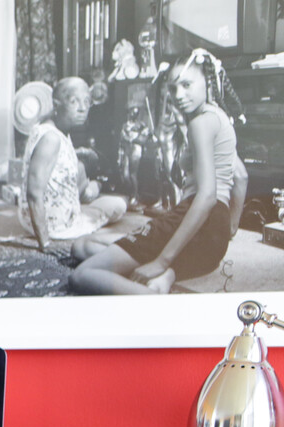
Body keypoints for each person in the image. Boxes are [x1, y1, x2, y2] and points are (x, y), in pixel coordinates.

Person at [71, 51, 248, 295]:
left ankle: (154, 296)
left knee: (82, 275)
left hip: (197, 219)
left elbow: (206, 195)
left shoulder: (200, 124)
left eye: (186, 85)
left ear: (208, 81)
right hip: (212, 241)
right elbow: (241, 176)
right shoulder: (220, 118)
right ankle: (161, 275)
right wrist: (229, 228)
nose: (179, 96)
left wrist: (161, 261)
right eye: (173, 88)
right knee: (82, 246)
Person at [17, 76, 127, 251]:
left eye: (86, 101)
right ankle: (94, 189)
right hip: (58, 226)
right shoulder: (51, 138)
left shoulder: (46, 127)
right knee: (118, 204)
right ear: (57, 103)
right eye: (74, 101)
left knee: (82, 168)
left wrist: (76, 155)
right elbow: (33, 193)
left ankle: (92, 189)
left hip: (32, 220)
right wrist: (45, 243)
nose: (82, 108)